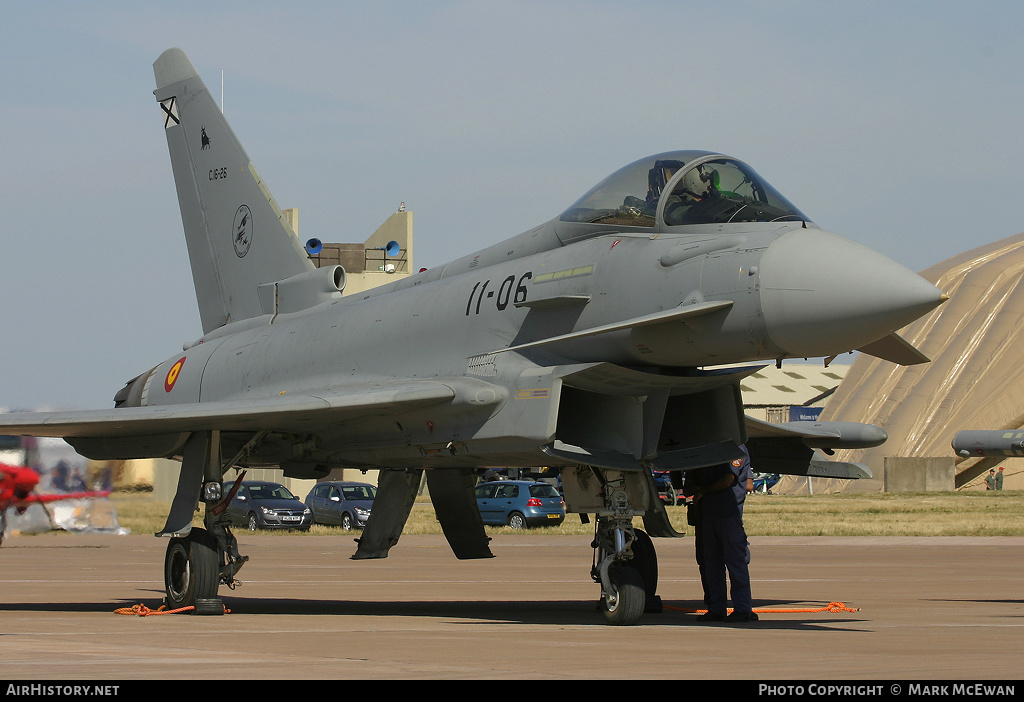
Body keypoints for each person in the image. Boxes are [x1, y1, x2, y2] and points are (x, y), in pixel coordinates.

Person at [682, 445, 756, 623]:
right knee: (711, 565)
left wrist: (703, 491)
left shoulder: (735, 448)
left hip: (728, 516)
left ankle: (742, 609)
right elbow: (688, 488)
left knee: (735, 563)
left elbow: (729, 478)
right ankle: (716, 608)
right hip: (707, 517)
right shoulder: (705, 447)